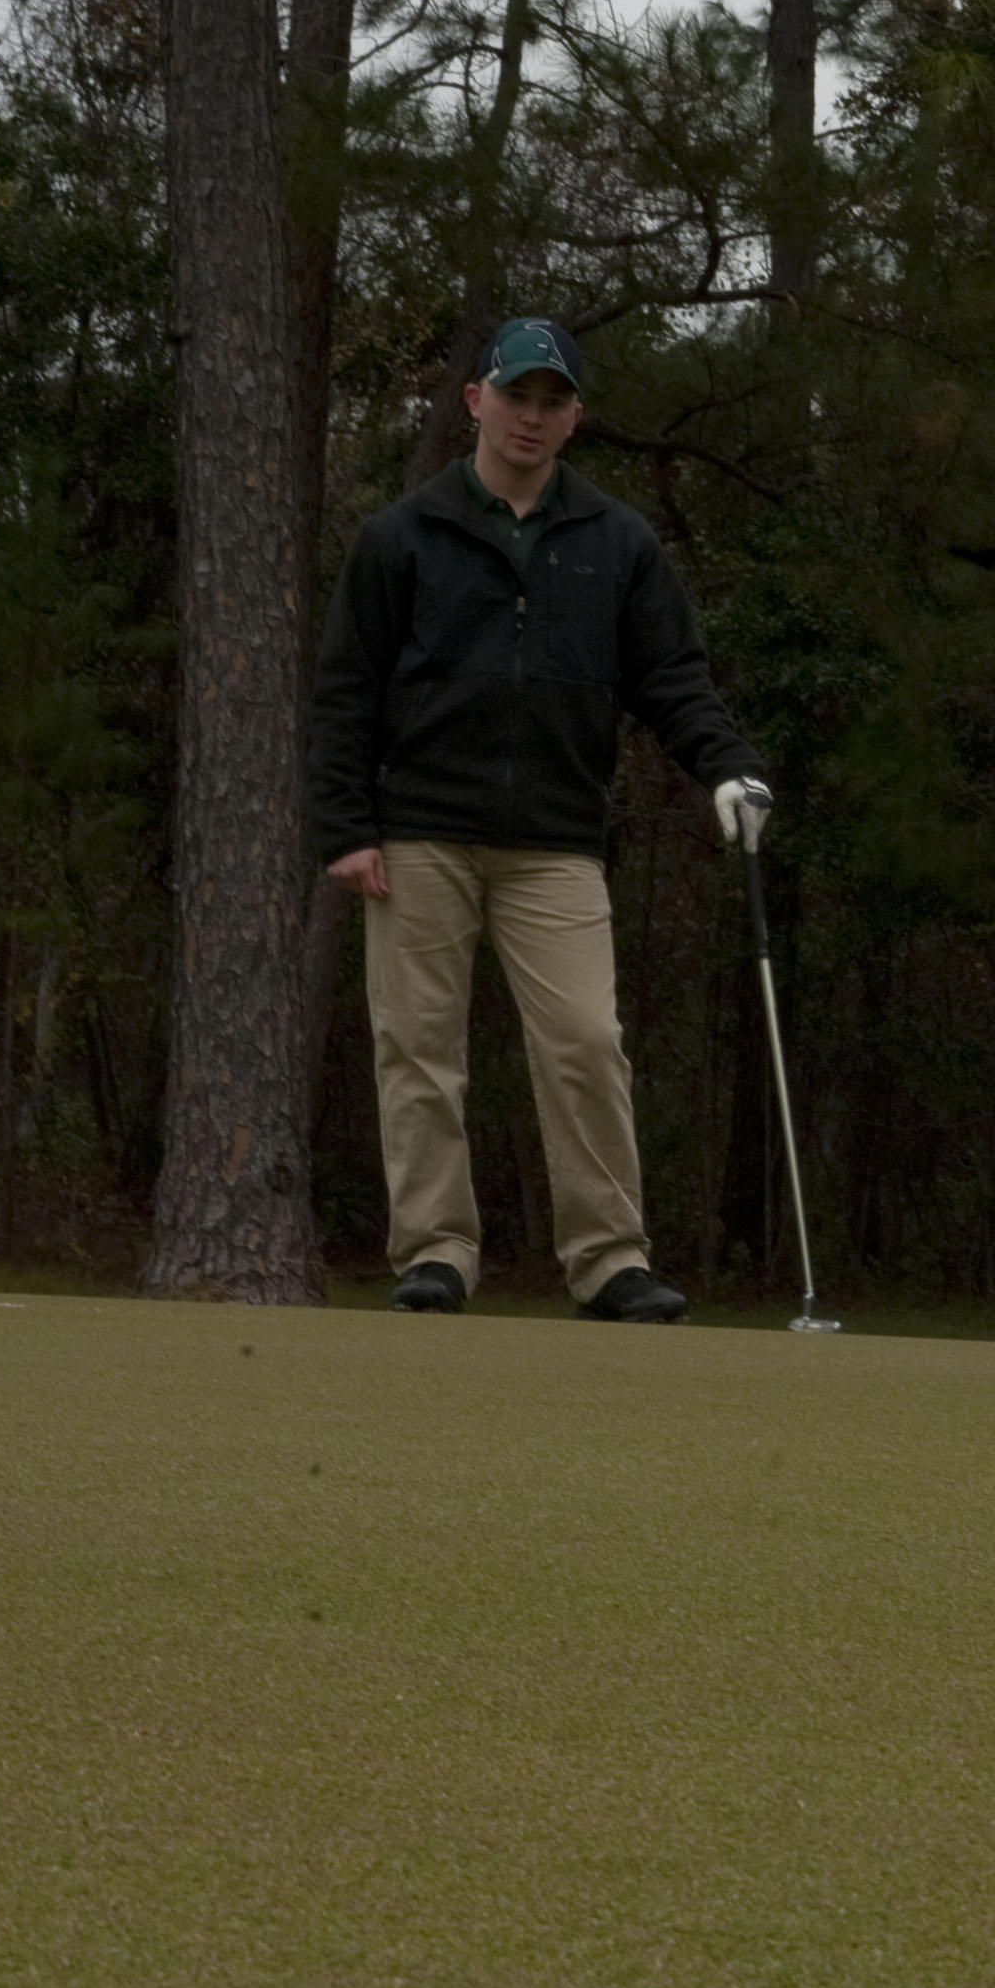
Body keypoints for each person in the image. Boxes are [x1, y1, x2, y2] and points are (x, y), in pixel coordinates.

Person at [307, 318, 774, 1322]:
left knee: (585, 1042)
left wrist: (729, 770)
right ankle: (436, 1252)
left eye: (550, 401)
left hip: (556, 838)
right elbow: (347, 691)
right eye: (515, 395)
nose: (530, 415)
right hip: (420, 829)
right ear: (475, 400)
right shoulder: (401, 536)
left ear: (574, 418)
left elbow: (672, 679)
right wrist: (344, 824)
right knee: (418, 1048)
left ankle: (608, 1261)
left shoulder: (618, 543)